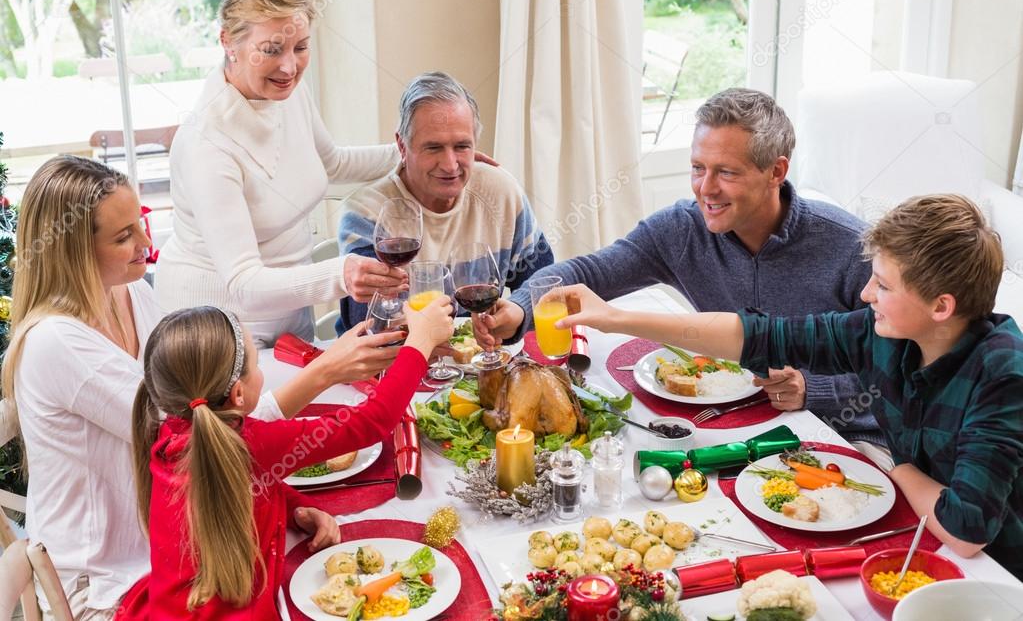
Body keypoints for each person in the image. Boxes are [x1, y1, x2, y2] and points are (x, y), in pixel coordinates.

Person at [1, 156, 401, 619]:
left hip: (177, 547)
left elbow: (207, 422)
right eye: (123, 236)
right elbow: (209, 433)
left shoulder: (132, 292)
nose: (145, 243)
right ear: (72, 252)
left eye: (140, 224)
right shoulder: (55, 343)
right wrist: (323, 372)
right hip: (111, 583)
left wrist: (289, 502)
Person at [549, 194, 1023, 578]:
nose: (866, 295)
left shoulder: (1003, 375)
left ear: (941, 307)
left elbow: (967, 530)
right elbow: (758, 335)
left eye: (883, 285)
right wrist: (616, 318)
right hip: (926, 529)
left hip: (999, 573)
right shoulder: (883, 334)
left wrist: (898, 469)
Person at [477, 87, 884, 454]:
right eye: (698, 168)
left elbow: (903, 366)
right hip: (733, 423)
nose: (706, 188)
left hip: (845, 436)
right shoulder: (683, 228)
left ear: (776, 172)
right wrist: (520, 307)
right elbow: (591, 270)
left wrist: (815, 388)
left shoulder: (852, 246)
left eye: (726, 172)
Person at [153, 0, 494, 346]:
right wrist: (341, 273)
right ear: (228, 42)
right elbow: (244, 283)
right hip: (212, 334)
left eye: (300, 47)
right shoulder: (206, 145)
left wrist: (421, 154)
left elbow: (332, 164)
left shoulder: (286, 92)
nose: (289, 67)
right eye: (271, 50)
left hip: (288, 320)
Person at [116, 298, 453, 618]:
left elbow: (243, 487)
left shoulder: (173, 431)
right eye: (256, 365)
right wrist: (420, 343)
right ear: (238, 394)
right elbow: (373, 420)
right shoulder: (252, 443)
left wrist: (296, 509)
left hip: (172, 607)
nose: (260, 372)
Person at [335, 71, 553, 332]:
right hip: (393, 356)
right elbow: (371, 325)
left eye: (462, 146)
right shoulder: (367, 212)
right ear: (402, 146)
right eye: (433, 148)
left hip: (478, 351)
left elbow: (544, 285)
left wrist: (516, 311)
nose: (450, 165)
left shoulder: (501, 192)